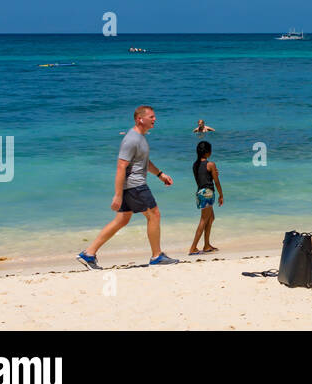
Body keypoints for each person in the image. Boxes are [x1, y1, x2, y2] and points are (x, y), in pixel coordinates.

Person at [77, 105, 178, 269]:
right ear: (140, 119)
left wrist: (160, 175)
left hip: (132, 186)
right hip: (135, 185)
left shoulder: (141, 138)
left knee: (122, 219)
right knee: (154, 214)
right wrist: (117, 195)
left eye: (154, 117)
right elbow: (121, 166)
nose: (155, 119)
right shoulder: (131, 139)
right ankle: (156, 256)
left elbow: (144, 162)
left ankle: (88, 254)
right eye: (151, 117)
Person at [188, 140, 222, 255]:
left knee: (210, 218)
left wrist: (213, 174)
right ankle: (193, 247)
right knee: (203, 220)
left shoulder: (195, 165)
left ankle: (207, 245)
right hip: (208, 193)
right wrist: (221, 195)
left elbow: (202, 179)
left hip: (200, 193)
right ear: (208, 152)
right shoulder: (210, 164)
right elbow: (216, 182)